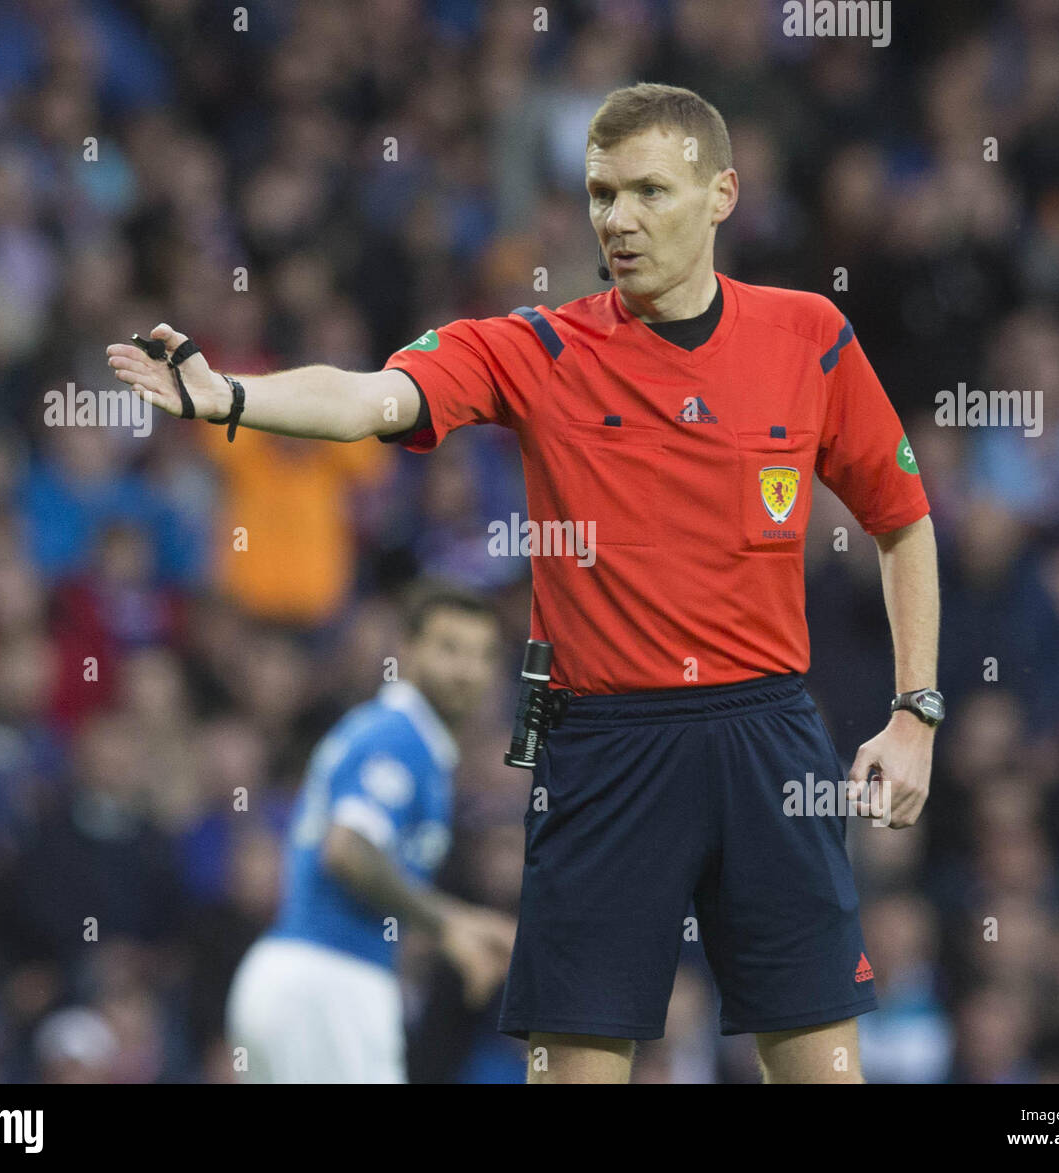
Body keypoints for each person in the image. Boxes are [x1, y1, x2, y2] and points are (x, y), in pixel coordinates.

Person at [109, 83, 942, 1085]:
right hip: (605, 749)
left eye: (647, 191)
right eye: (599, 194)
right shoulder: (538, 348)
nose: (617, 220)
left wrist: (914, 711)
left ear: (721, 194)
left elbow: (901, 520)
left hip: (765, 738)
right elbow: (373, 396)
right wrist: (231, 396)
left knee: (820, 1068)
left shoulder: (807, 335)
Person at [224, 582, 515, 1082]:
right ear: (406, 650)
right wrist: (450, 925)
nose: (467, 670)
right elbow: (348, 850)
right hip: (330, 983)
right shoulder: (400, 738)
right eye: (449, 649)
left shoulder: (403, 740)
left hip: (303, 983)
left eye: (482, 655)